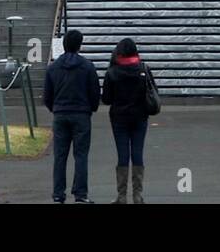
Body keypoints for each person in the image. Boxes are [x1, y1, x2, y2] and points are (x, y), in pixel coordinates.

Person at [43, 30, 100, 204]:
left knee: (60, 156)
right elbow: (95, 93)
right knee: (81, 155)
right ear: (79, 45)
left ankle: (58, 194)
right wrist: (91, 108)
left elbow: (47, 96)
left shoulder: (53, 67)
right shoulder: (87, 66)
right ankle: (80, 194)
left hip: (60, 113)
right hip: (81, 114)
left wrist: (56, 108)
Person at [101, 38, 152, 204]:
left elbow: (107, 99)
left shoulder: (113, 72)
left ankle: (121, 196)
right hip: (140, 118)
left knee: (122, 155)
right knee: (137, 154)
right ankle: (137, 195)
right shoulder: (143, 69)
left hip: (119, 119)